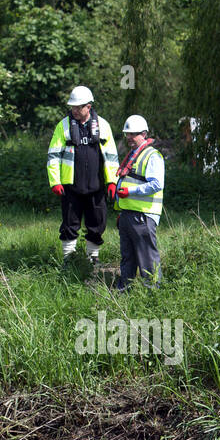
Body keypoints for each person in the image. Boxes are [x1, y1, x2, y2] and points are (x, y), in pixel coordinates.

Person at [46, 85, 119, 265]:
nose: (75, 110)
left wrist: (112, 181)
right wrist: (55, 181)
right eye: (73, 107)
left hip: (97, 186)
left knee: (97, 223)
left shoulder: (103, 125)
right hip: (71, 186)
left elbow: (111, 156)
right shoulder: (63, 126)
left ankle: (92, 259)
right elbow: (53, 155)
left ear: (89, 106)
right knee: (70, 224)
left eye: (79, 107)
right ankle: (68, 260)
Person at [114, 114, 164, 289]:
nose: (128, 137)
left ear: (143, 134)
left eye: (133, 134)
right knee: (128, 257)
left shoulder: (152, 156)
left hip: (143, 215)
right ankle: (124, 292)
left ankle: (154, 294)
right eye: (127, 134)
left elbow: (157, 184)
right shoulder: (134, 154)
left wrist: (130, 192)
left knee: (147, 258)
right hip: (129, 215)